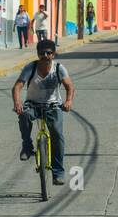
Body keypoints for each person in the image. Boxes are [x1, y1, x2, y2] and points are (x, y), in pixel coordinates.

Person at [11, 38, 75, 186]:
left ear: (54, 54)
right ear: (38, 54)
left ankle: (58, 173)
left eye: (49, 53)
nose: (45, 56)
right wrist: (17, 102)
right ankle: (27, 146)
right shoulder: (30, 68)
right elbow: (17, 87)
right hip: (33, 104)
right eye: (42, 53)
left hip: (53, 106)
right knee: (24, 115)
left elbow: (69, 86)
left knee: (57, 135)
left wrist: (68, 101)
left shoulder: (59, 68)